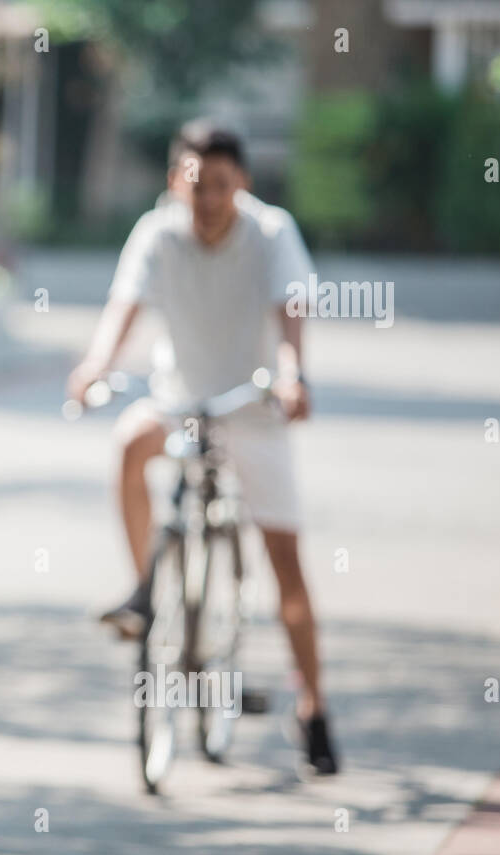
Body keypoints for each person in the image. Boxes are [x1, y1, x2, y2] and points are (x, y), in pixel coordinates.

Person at [65, 119, 339, 775]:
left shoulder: (271, 233)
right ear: (174, 182)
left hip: (251, 405)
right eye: (196, 184)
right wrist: (95, 364)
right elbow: (122, 307)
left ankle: (314, 706)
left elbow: (289, 313)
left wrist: (294, 376)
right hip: (181, 399)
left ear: (241, 183)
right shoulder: (156, 232)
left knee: (286, 565)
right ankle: (145, 592)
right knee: (130, 440)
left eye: (221, 185)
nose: (208, 199)